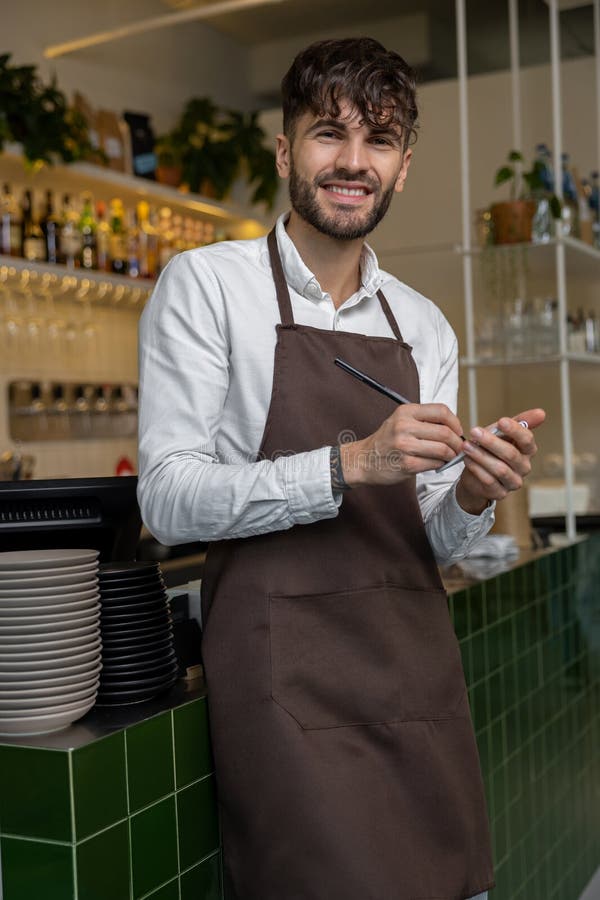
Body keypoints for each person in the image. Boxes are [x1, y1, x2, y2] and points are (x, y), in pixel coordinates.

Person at [137, 37, 545, 900]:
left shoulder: (425, 326)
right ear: (287, 151)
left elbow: (428, 536)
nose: (353, 162)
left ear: (402, 168)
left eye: (380, 141)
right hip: (284, 689)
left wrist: (472, 490)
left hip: (412, 672)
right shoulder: (206, 286)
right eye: (329, 134)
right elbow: (167, 499)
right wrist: (349, 462)